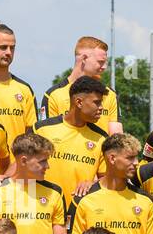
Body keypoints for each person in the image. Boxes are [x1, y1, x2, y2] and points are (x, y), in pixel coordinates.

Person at [32, 75, 109, 209]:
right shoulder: (42, 129)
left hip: (79, 214)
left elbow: (108, 179)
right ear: (79, 102)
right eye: (97, 102)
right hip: (42, 209)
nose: (101, 107)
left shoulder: (101, 138)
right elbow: (21, 166)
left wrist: (93, 184)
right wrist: (1, 179)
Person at [41, 35, 124, 133]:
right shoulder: (53, 95)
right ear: (84, 58)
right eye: (100, 62)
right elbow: (46, 136)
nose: (104, 67)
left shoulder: (110, 94)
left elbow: (116, 138)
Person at [0, 21, 37, 148]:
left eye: (12, 47)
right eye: (3, 47)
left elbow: (31, 133)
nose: (9, 52)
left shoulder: (24, 89)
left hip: (16, 165)